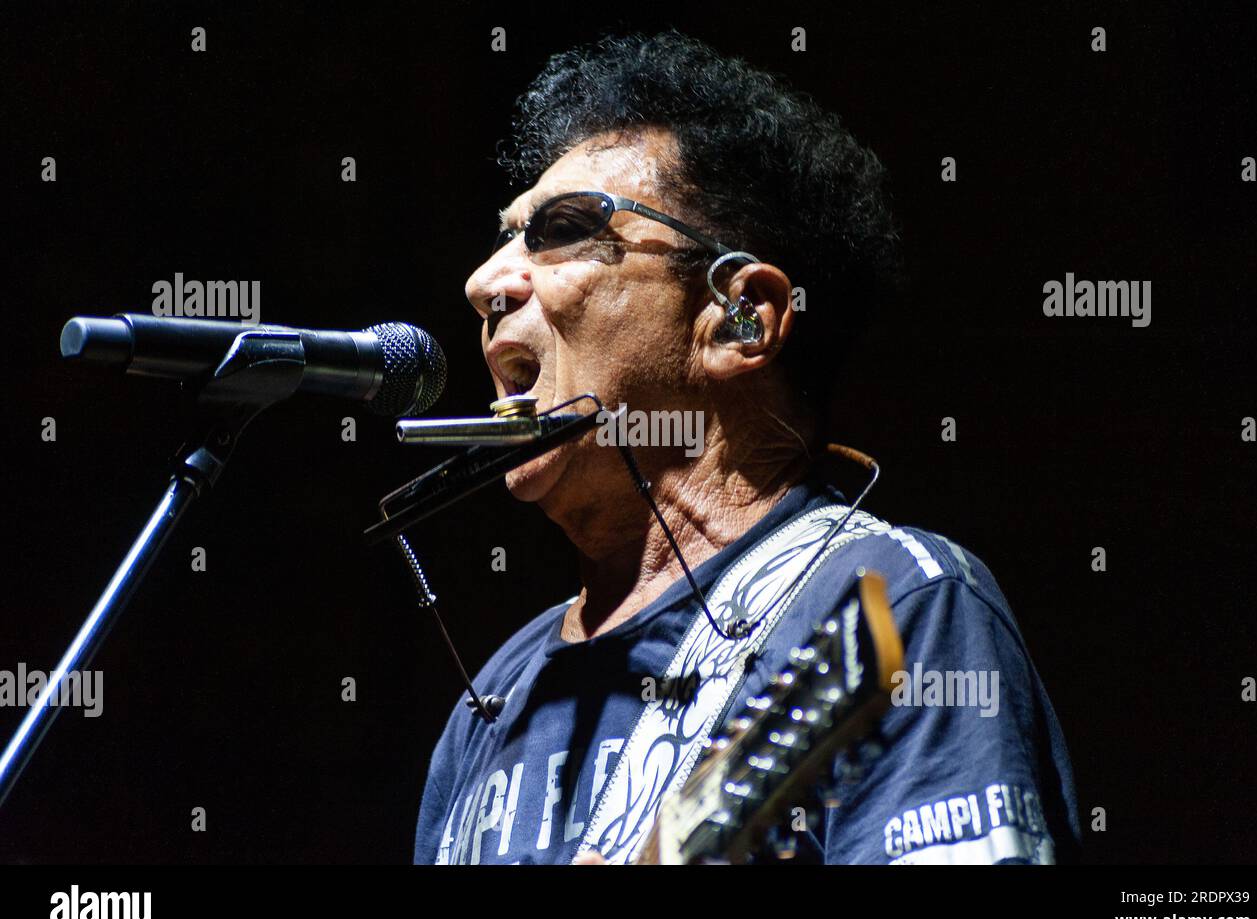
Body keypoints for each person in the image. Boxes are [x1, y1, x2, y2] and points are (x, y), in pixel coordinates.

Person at [414, 31, 1080, 865]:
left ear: (741, 319)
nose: (485, 280)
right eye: (507, 236)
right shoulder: (501, 691)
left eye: (561, 230)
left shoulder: (888, 607)